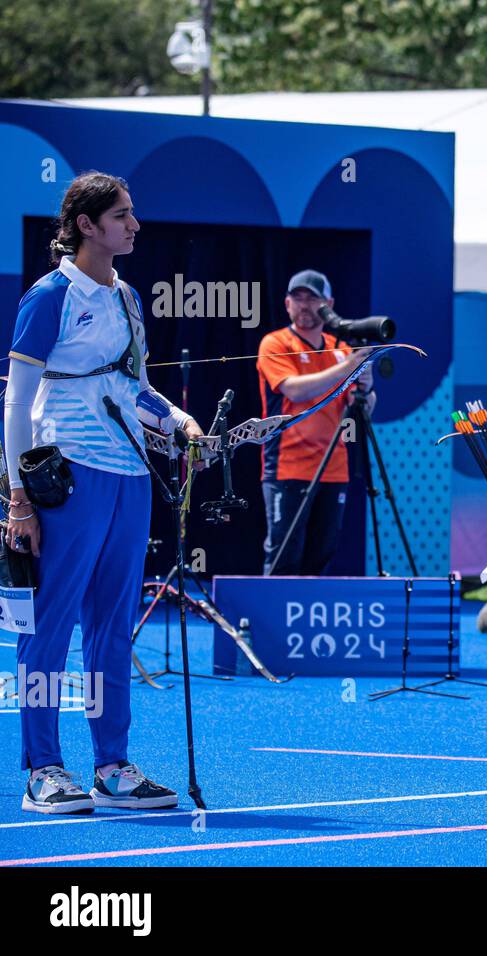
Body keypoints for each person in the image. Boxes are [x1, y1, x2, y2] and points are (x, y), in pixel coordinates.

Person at [5, 171, 203, 813]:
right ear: (86, 225)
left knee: (112, 629)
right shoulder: (50, 295)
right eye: (121, 215)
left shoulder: (127, 298)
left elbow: (135, 388)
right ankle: (43, 769)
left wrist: (175, 421)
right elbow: (17, 399)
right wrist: (17, 496)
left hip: (128, 472)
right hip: (67, 472)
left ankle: (111, 767)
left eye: (132, 213)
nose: (134, 224)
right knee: (49, 628)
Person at [256, 270, 375, 575]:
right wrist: (349, 367)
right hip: (288, 466)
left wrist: (367, 387)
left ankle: (305, 620)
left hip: (334, 468)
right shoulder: (276, 343)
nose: (304, 305)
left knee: (322, 554)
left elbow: (362, 411)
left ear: (329, 303)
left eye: (313, 298)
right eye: (297, 298)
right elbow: (294, 389)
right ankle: (275, 618)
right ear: (287, 304)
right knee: (285, 553)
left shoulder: (341, 349)